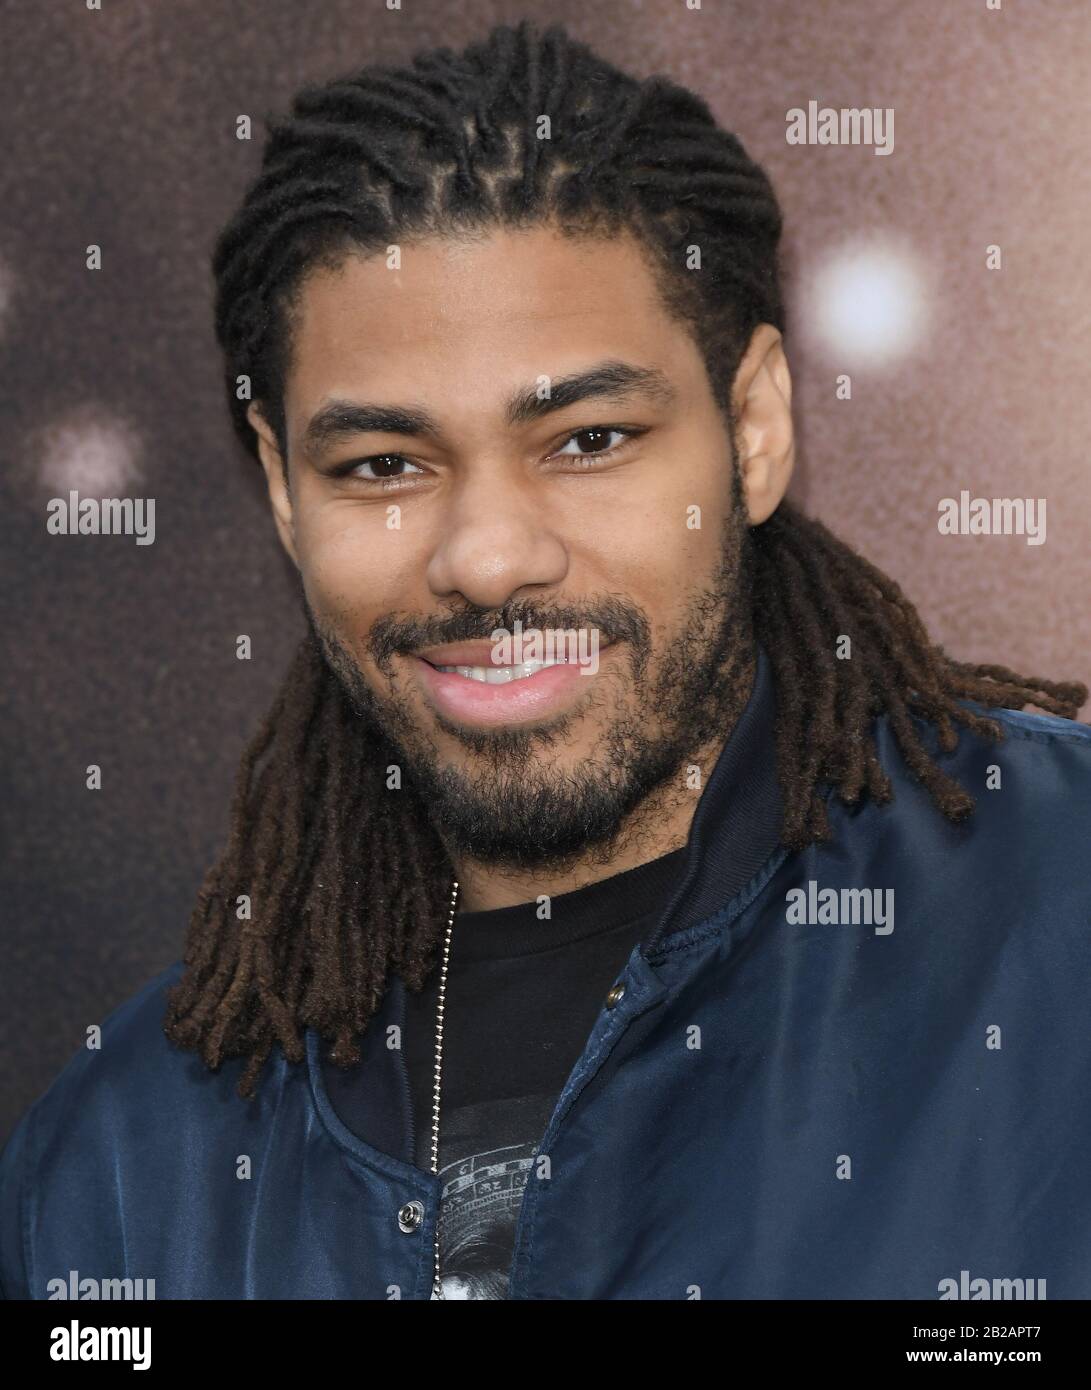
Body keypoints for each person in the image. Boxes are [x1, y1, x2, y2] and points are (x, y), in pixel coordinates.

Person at [3, 18, 1090, 1302]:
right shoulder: (122, 1166)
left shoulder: (1056, 918)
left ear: (751, 428)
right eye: (380, 466)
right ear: (284, 496)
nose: (486, 555)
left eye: (586, 439)